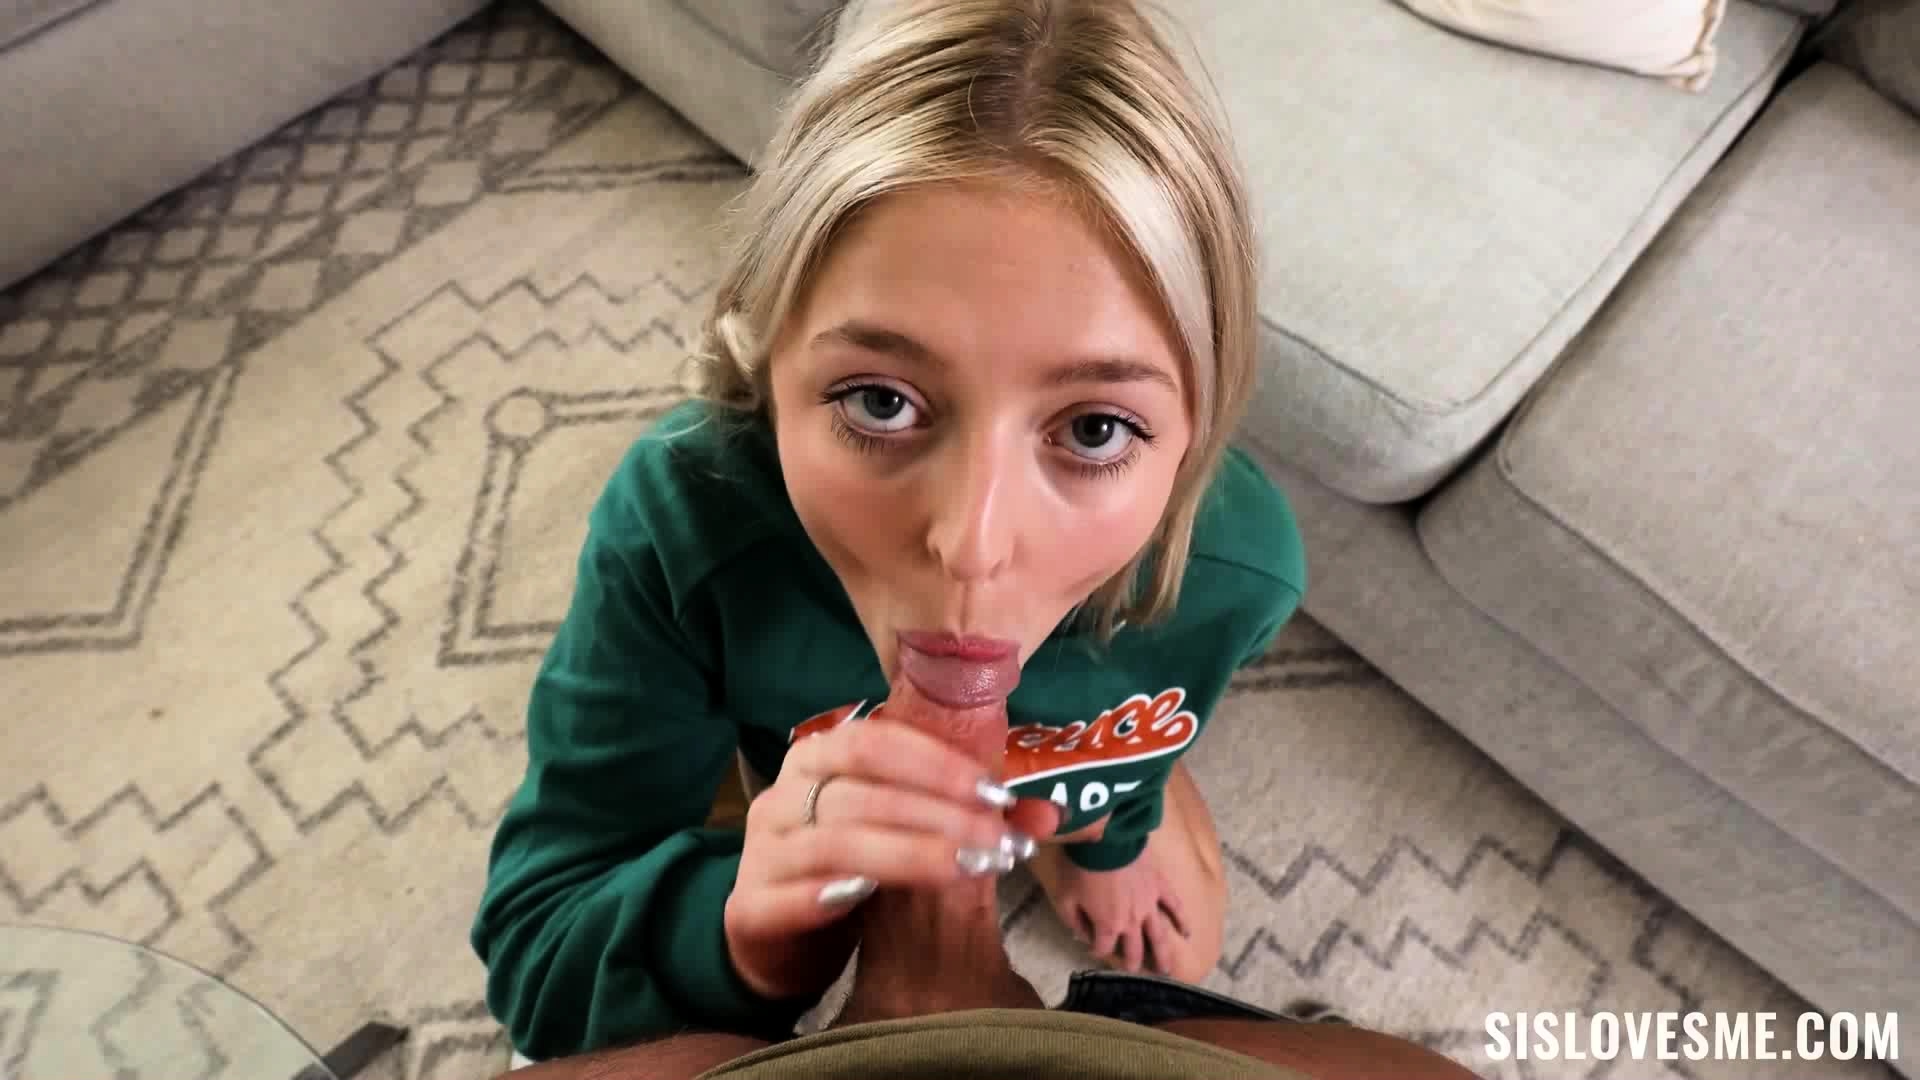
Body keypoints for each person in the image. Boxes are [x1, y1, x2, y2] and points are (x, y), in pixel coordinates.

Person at [471, 0, 1319, 1064]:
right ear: (763, 359)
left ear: (1196, 432)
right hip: (762, 756)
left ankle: (1071, 782)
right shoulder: (680, 527)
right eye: (880, 401)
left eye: (1095, 428)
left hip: (1099, 734)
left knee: (1128, 781)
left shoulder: (1236, 571)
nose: (972, 546)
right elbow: (539, 948)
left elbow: (1171, 700)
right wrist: (742, 929)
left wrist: (1114, 829)